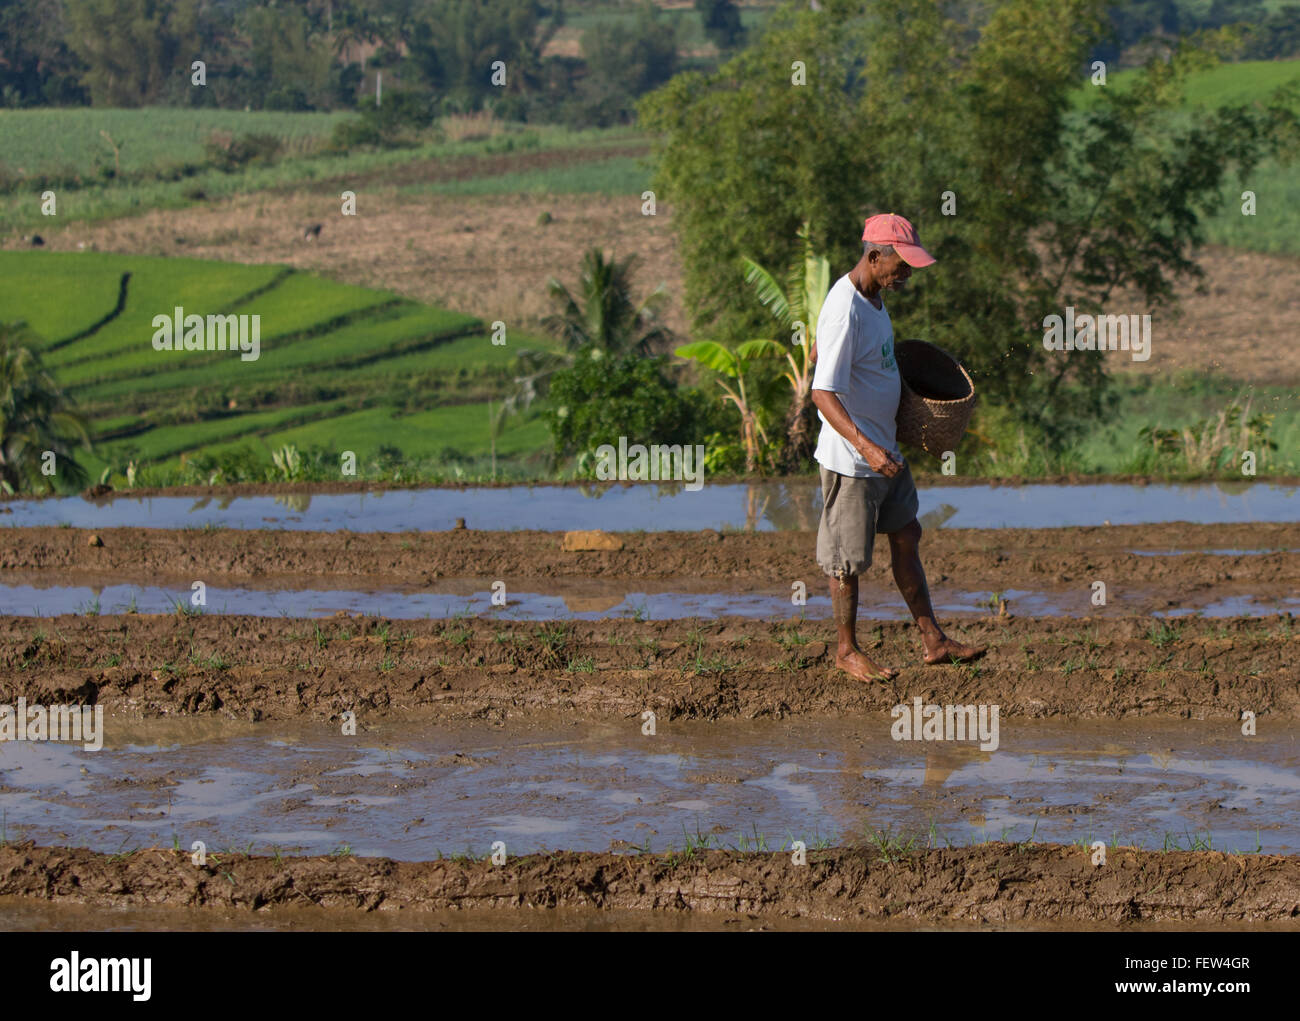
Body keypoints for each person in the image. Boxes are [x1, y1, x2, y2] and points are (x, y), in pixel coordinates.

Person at [810, 213, 985, 681]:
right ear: (874, 256)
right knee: (847, 560)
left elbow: (827, 351)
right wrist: (867, 448)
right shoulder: (845, 308)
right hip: (854, 459)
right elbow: (821, 393)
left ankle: (934, 640)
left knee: (907, 534)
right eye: (901, 264)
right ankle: (846, 650)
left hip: (885, 448)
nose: (906, 273)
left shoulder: (873, 299)